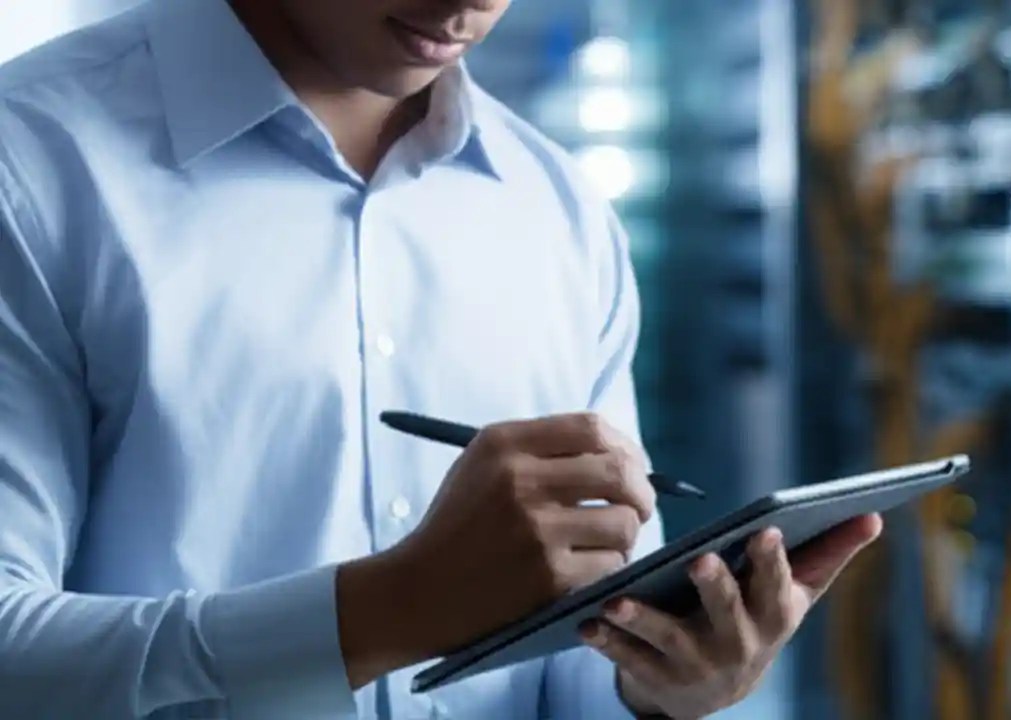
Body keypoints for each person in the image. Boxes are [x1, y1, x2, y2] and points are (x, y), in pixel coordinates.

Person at [0, 0, 883, 717]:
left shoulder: (560, 213)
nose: (473, 4)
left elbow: (583, 654)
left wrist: (663, 682)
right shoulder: (30, 163)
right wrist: (385, 611)